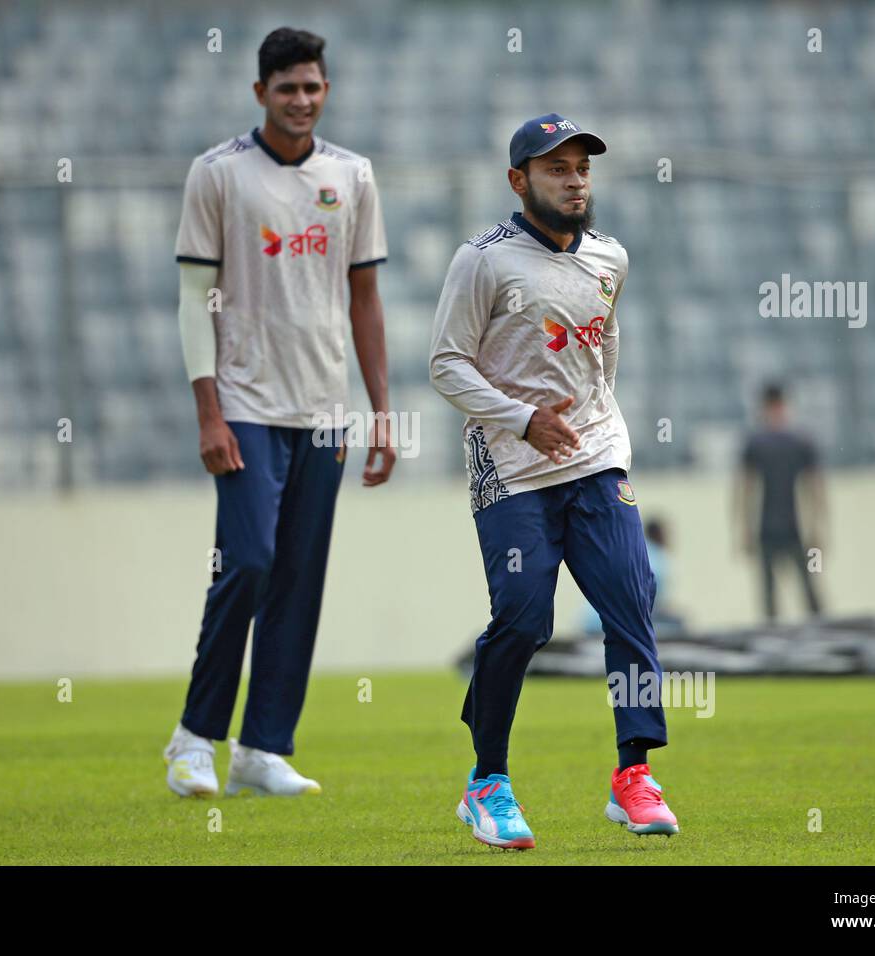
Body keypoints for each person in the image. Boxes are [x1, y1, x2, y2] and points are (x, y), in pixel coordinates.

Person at [430, 114, 678, 849]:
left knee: (631, 599)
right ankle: (488, 782)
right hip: (511, 466)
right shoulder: (482, 260)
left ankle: (632, 774)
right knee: (524, 620)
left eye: (582, 169)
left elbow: (606, 342)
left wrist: (598, 424)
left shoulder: (610, 257)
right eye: (556, 169)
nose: (574, 181)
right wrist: (522, 418)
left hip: (596, 458)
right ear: (519, 181)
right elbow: (446, 364)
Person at [164, 27, 393, 798]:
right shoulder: (219, 175)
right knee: (249, 560)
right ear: (259, 92)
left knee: (297, 576)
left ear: (326, 91)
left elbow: (365, 297)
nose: (301, 100)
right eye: (287, 87)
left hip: (325, 410)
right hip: (247, 405)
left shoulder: (353, 176)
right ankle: (195, 738)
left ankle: (262, 749)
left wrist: (381, 410)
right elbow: (195, 299)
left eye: (314, 87)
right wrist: (208, 411)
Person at [734, 383, 826, 622]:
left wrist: (816, 528)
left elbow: (814, 487)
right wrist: (745, 528)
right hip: (766, 529)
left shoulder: (801, 442)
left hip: (798, 530)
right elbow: (746, 488)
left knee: (810, 593)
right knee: (769, 598)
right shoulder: (756, 443)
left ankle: (823, 637)